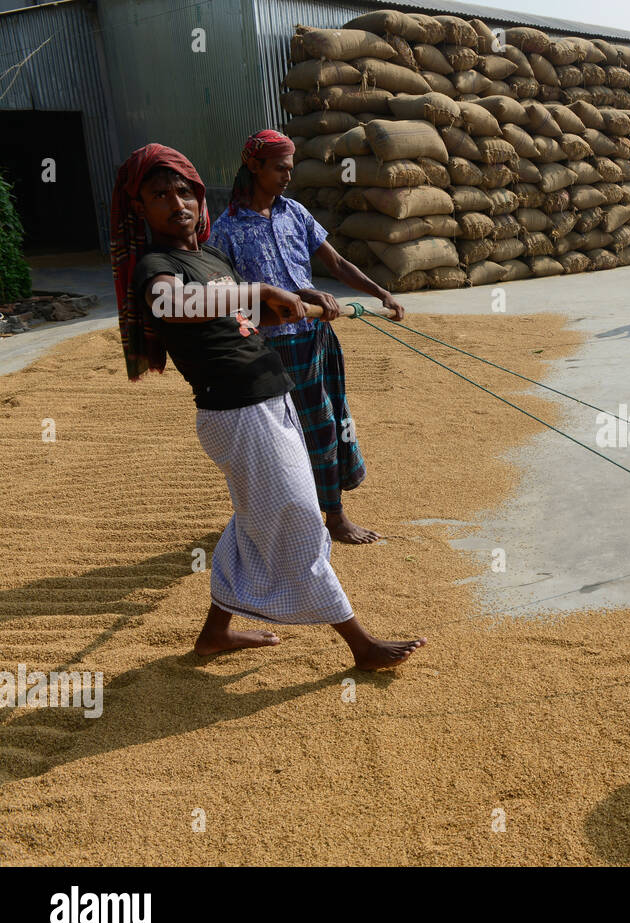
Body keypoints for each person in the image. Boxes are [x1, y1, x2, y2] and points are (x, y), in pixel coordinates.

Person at [111, 143, 425, 669]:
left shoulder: (208, 256)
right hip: (237, 413)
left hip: (268, 400)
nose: (177, 203)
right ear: (139, 209)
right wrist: (256, 290)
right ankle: (361, 644)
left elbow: (240, 322)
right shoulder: (157, 266)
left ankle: (214, 633)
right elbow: (171, 305)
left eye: (185, 191)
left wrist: (288, 310)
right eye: (159, 195)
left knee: (254, 519)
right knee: (302, 517)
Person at [209, 130, 407, 546]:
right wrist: (296, 296)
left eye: (291, 168)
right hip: (272, 346)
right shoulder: (226, 230)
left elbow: (334, 262)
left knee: (329, 422)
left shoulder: (294, 213)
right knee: (290, 435)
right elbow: (229, 300)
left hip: (317, 336)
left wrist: (380, 292)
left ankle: (330, 514)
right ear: (255, 166)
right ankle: (309, 520)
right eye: (280, 168)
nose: (287, 176)